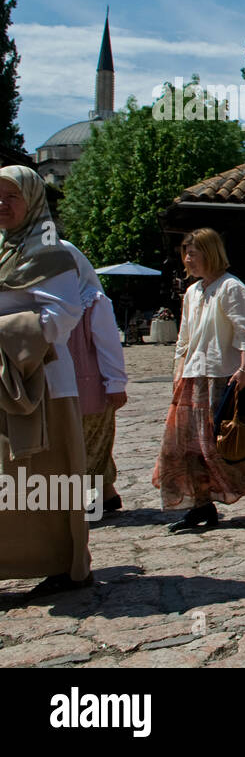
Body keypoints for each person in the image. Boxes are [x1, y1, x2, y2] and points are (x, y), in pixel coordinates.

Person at [153, 228, 245, 530]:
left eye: (193, 252)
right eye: (186, 253)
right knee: (184, 447)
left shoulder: (231, 288)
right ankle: (201, 505)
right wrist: (178, 372)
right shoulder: (193, 292)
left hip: (223, 375)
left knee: (224, 444)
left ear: (210, 253)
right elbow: (184, 338)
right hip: (193, 376)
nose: (188, 258)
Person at [0, 166, 92, 595]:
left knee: (49, 481)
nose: (2, 204)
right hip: (4, 381)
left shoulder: (50, 251)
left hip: (43, 383)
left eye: (11, 196)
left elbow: (63, 315)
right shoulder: (4, 249)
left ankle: (64, 564)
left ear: (34, 199)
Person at [61, 240, 129, 514]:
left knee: (91, 445)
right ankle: (107, 495)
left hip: (91, 389)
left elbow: (108, 346)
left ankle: (92, 499)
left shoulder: (93, 301)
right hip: (62, 388)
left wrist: (115, 383)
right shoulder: (51, 302)